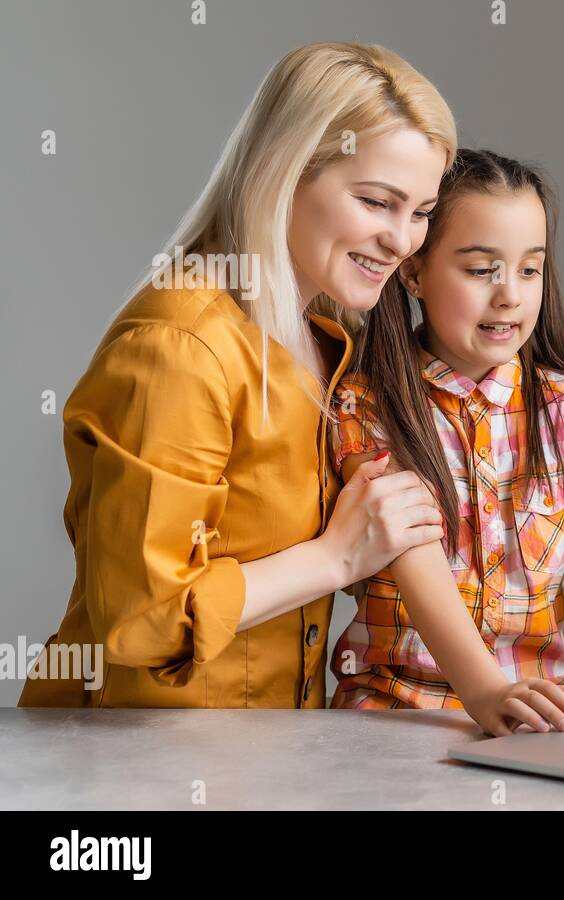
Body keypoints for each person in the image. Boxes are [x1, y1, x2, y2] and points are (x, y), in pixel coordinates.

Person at [19, 42, 454, 707]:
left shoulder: (330, 345)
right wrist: (335, 558)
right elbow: (144, 621)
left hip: (264, 765)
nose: (403, 240)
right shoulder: (179, 345)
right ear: (284, 172)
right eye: (376, 202)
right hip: (127, 772)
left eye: (421, 212)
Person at [328, 148, 564, 735]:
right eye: (480, 270)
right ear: (414, 272)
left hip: (545, 719)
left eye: (529, 270)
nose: (510, 296)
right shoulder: (368, 407)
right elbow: (417, 562)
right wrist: (485, 690)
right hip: (397, 719)